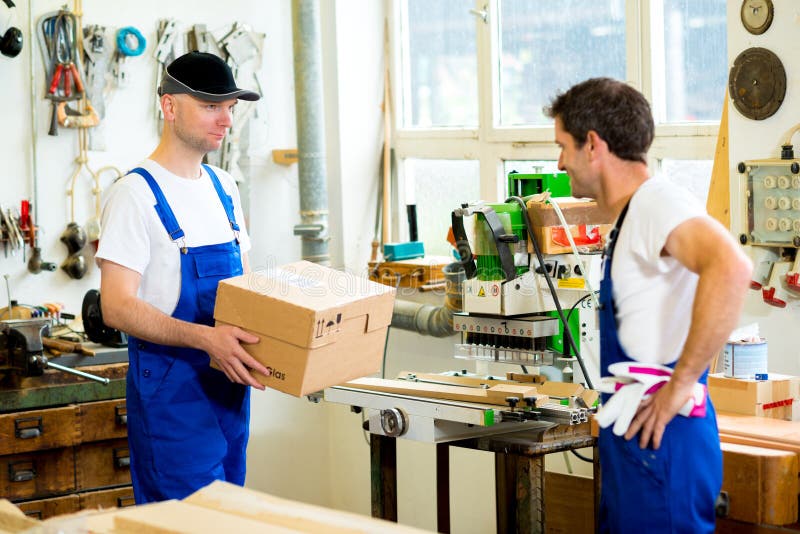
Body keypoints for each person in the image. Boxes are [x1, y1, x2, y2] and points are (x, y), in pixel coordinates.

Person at [545, 78, 752, 533]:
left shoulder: (657, 202)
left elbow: (732, 267)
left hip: (664, 440)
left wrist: (678, 387)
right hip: (636, 439)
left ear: (593, 145)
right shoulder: (630, 215)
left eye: (563, 147)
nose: (560, 162)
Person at [96, 51, 271, 504]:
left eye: (230, 107)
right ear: (169, 107)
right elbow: (115, 306)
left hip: (229, 394)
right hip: (172, 400)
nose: (226, 121)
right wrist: (206, 339)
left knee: (227, 520)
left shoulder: (223, 187)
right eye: (211, 106)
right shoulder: (133, 195)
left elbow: (244, 291)